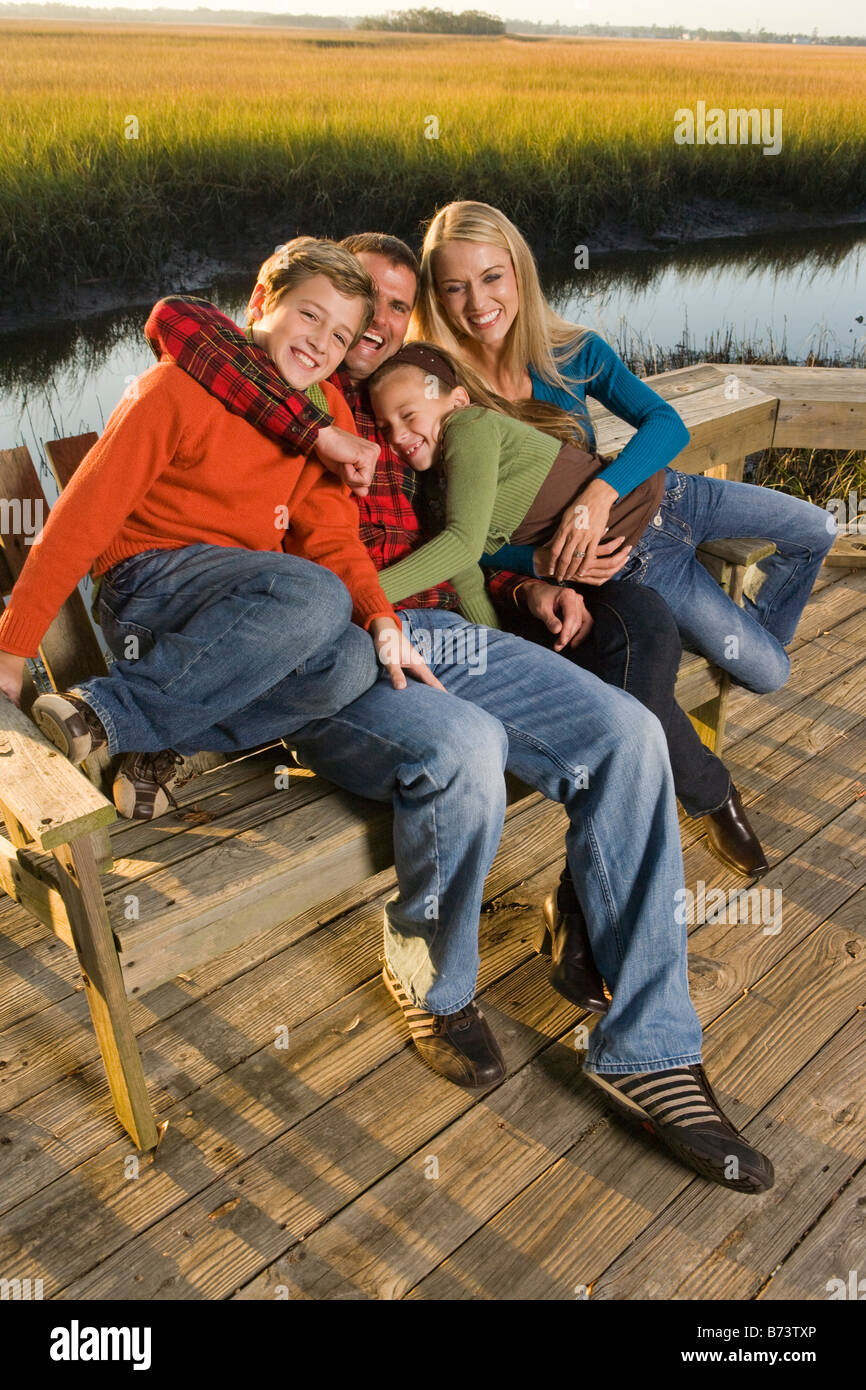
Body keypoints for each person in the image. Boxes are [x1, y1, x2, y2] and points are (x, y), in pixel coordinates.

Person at [130, 241, 778, 1194]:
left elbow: (463, 550)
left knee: (626, 734)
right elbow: (178, 320)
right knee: (467, 749)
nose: (386, 325)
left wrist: (521, 598)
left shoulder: (402, 418)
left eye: (399, 310)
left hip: (439, 632)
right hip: (328, 655)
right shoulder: (278, 384)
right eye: (369, 308)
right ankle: (431, 976)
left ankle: (649, 1048)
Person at [0, 238, 444, 824]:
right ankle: (100, 711)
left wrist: (382, 619)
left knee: (352, 661)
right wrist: (12, 647)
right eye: (310, 314)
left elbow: (331, 540)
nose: (320, 341)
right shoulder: (178, 387)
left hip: (244, 618)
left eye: (340, 334)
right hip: (150, 591)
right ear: (261, 301)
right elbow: (84, 513)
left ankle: (161, 741)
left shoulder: (328, 411)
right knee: (314, 594)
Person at [412, 200, 836, 699]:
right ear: (437, 297)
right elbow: (458, 531)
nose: (477, 301)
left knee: (820, 528)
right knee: (771, 674)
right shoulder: (448, 394)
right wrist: (540, 562)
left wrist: (600, 491)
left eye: (491, 277)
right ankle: (742, 641)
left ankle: (748, 635)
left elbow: (666, 423)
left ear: (519, 274)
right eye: (454, 287)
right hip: (634, 562)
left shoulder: (572, 351)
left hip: (676, 495)